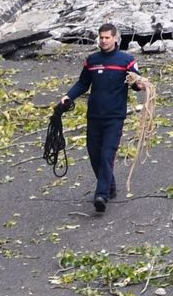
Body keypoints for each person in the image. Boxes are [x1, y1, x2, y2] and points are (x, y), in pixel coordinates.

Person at [58, 22, 148, 213]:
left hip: (114, 117)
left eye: (107, 37)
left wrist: (139, 85)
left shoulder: (126, 60)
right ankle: (110, 186)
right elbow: (83, 83)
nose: (104, 41)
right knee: (95, 155)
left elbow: (134, 81)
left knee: (107, 154)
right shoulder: (92, 60)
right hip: (94, 115)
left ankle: (101, 196)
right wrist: (68, 96)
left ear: (115, 38)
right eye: (101, 37)